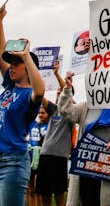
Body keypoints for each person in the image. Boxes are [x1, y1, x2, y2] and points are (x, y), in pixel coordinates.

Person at [0, 5, 46, 206]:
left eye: (16, 63)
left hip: (12, 163)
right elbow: (0, 51)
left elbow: (41, 91)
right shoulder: (10, 85)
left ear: (27, 67)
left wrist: (26, 56)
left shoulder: (29, 95)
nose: (11, 67)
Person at [61, 74, 110, 206]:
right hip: (85, 166)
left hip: (107, 166)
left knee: (104, 201)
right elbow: (65, 111)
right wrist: (67, 88)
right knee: (86, 199)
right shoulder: (85, 107)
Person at [35, 62, 76, 206]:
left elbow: (67, 89)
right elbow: (39, 95)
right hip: (45, 155)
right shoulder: (53, 110)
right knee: (44, 193)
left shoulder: (71, 112)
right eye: (57, 93)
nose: (59, 94)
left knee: (59, 194)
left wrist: (57, 74)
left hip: (59, 157)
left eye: (61, 92)